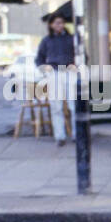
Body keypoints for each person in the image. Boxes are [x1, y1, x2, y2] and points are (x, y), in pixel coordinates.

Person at [33, 14, 74, 147]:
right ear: (51, 25)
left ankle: (77, 134)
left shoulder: (71, 39)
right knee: (56, 106)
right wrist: (45, 68)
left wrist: (76, 65)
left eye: (61, 23)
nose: (59, 25)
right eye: (56, 23)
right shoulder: (46, 41)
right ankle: (60, 136)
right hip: (54, 73)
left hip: (69, 72)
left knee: (74, 104)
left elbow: (82, 54)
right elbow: (39, 59)